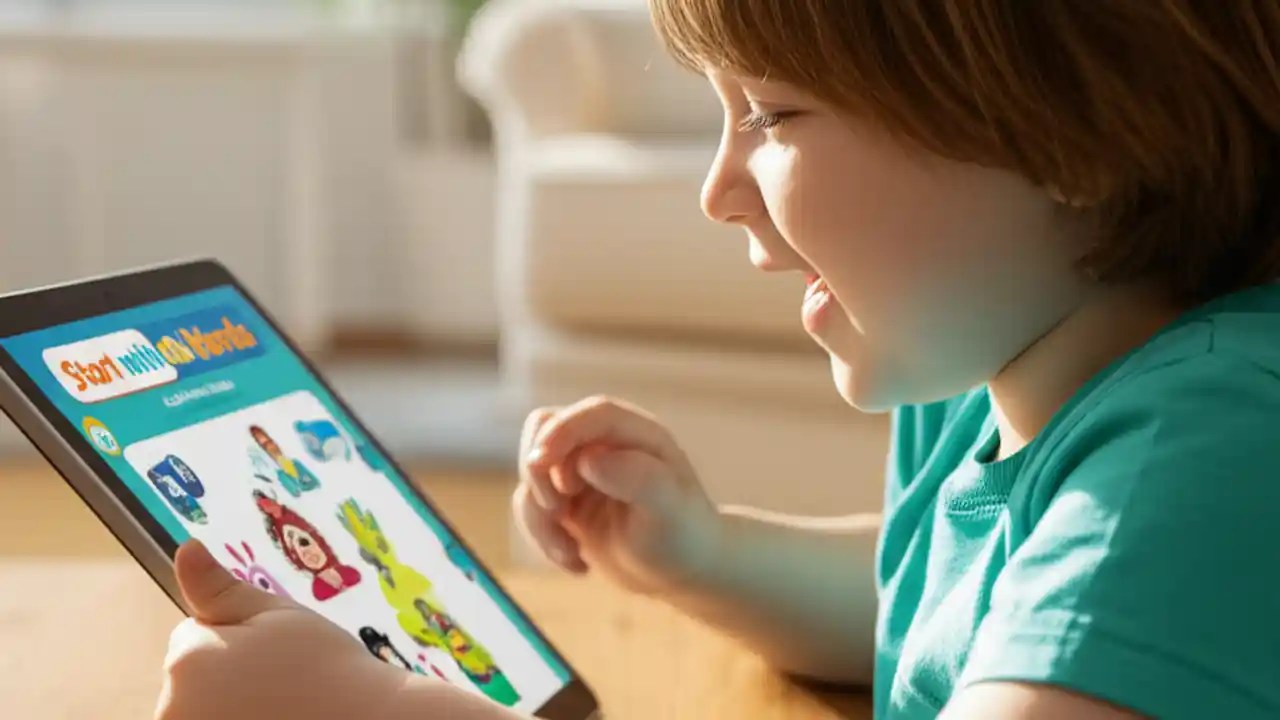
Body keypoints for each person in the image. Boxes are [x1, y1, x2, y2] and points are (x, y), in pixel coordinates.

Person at [155, 2, 1280, 719]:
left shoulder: (1203, 455)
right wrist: (703, 556)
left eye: (773, 115)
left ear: (1066, 129)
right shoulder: (1001, 364)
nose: (715, 188)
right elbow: (937, 611)